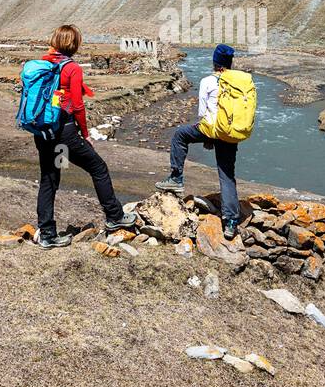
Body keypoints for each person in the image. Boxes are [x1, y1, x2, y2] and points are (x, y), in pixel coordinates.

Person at [31, 25, 136, 248]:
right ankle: (115, 216)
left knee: (49, 178)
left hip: (44, 132)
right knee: (98, 168)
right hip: (65, 133)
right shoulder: (72, 68)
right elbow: (77, 105)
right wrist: (85, 134)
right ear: (75, 44)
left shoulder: (44, 64)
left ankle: (47, 233)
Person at [155, 43, 244, 232]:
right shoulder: (240, 82)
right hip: (230, 133)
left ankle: (176, 178)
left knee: (180, 135)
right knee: (227, 174)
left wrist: (208, 138)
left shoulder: (208, 81)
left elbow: (203, 114)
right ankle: (230, 222)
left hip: (211, 130)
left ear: (215, 63)